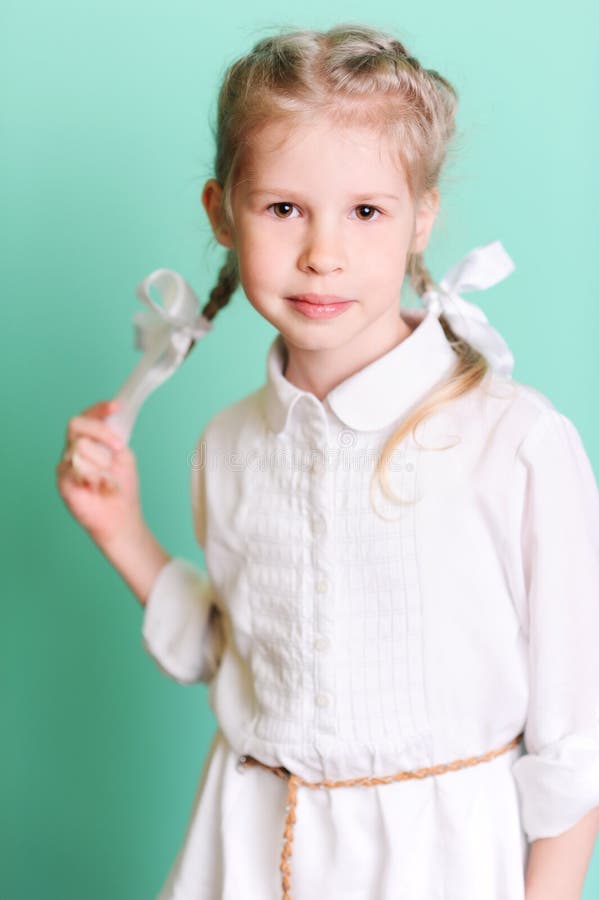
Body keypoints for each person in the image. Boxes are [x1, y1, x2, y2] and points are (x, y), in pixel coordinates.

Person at [55, 22, 599, 900]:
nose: (322, 253)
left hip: (443, 869)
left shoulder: (515, 443)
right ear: (222, 212)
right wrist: (121, 531)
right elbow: (247, 659)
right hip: (247, 849)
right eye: (282, 208)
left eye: (366, 211)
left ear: (421, 217)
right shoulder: (228, 445)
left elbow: (579, 733)